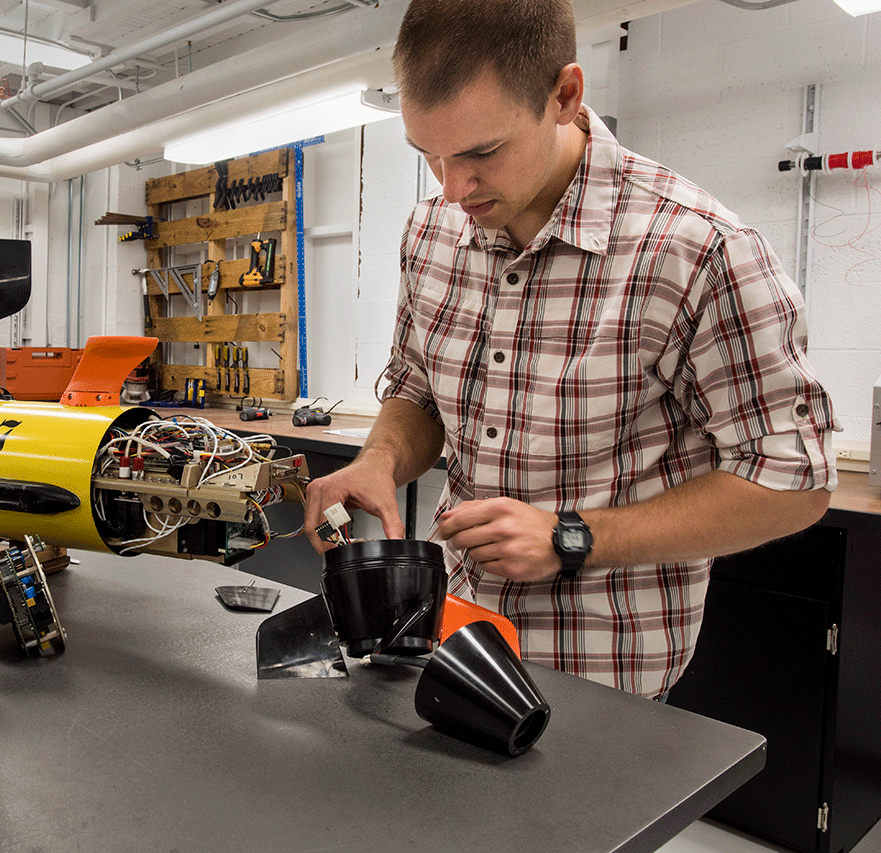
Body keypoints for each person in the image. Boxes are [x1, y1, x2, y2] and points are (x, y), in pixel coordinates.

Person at [303, 0, 838, 699]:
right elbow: (417, 391)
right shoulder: (432, 233)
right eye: (428, 154)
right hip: (455, 638)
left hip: (605, 682)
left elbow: (794, 481)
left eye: (481, 152)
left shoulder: (695, 249)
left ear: (565, 96)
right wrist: (380, 459)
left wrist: (573, 537)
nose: (452, 187)